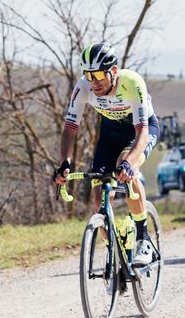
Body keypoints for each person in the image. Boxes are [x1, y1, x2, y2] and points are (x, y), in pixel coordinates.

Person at [53, 42, 160, 265]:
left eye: (100, 74)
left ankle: (143, 239)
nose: (94, 82)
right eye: (89, 75)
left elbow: (142, 132)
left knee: (126, 167)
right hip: (110, 132)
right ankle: (115, 252)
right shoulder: (83, 87)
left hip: (139, 130)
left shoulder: (132, 82)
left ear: (113, 71)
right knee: (99, 198)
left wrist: (130, 163)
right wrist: (65, 163)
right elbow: (69, 129)